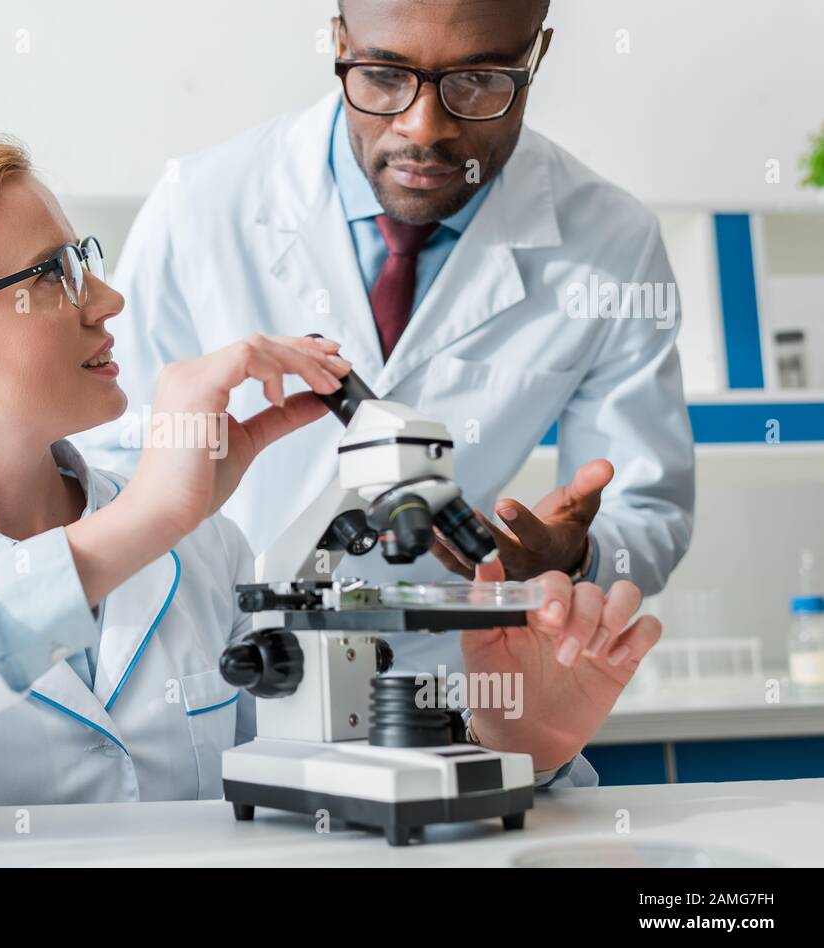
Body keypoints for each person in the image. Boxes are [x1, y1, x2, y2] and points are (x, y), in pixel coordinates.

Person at [0, 125, 660, 811]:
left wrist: (519, 738)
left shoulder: (207, 551)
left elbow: (324, 790)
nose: (109, 301)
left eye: (82, 257)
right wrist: (136, 525)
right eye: (52, 276)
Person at [74, 0, 695, 683]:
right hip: (223, 668)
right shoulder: (200, 204)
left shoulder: (611, 243)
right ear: (339, 40)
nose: (423, 128)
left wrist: (571, 561)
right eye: (383, 75)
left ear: (536, 55)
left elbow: (646, 506)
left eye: (480, 80)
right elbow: (108, 468)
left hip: (456, 683)